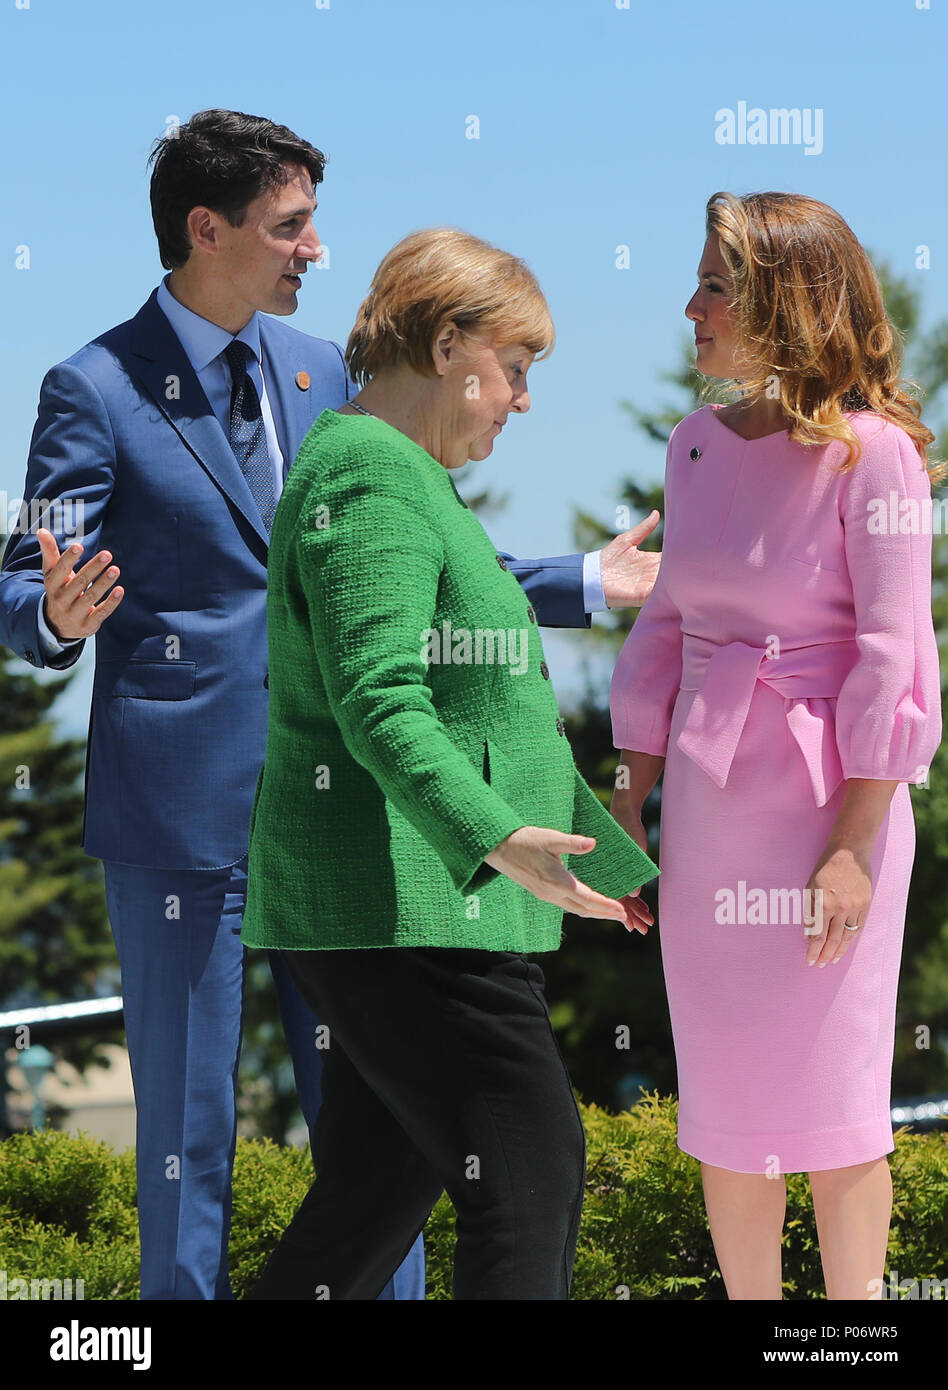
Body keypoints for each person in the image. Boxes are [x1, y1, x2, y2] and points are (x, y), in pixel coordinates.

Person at [0, 111, 661, 1300]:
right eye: (289, 225)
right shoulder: (92, 386)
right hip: (185, 815)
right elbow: (28, 576)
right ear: (209, 230)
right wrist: (54, 615)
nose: (314, 249)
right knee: (189, 1138)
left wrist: (574, 582)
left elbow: (386, 578)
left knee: (387, 1142)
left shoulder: (318, 377)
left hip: (356, 812)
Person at [240, 226, 660, 1301]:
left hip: (418, 905)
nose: (521, 401)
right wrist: (494, 836)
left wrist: (619, 868)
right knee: (531, 1173)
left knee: (368, 1209)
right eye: (514, 371)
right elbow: (379, 699)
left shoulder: (403, 478)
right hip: (411, 912)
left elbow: (499, 714)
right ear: (445, 344)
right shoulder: (372, 481)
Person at [609, 190, 943, 1300]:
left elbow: (897, 657)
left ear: (783, 304)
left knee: (840, 1110)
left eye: (716, 284)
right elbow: (664, 631)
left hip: (831, 819)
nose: (691, 306)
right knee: (726, 1107)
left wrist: (853, 843)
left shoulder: (878, 457)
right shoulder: (695, 446)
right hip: (708, 818)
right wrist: (624, 797)